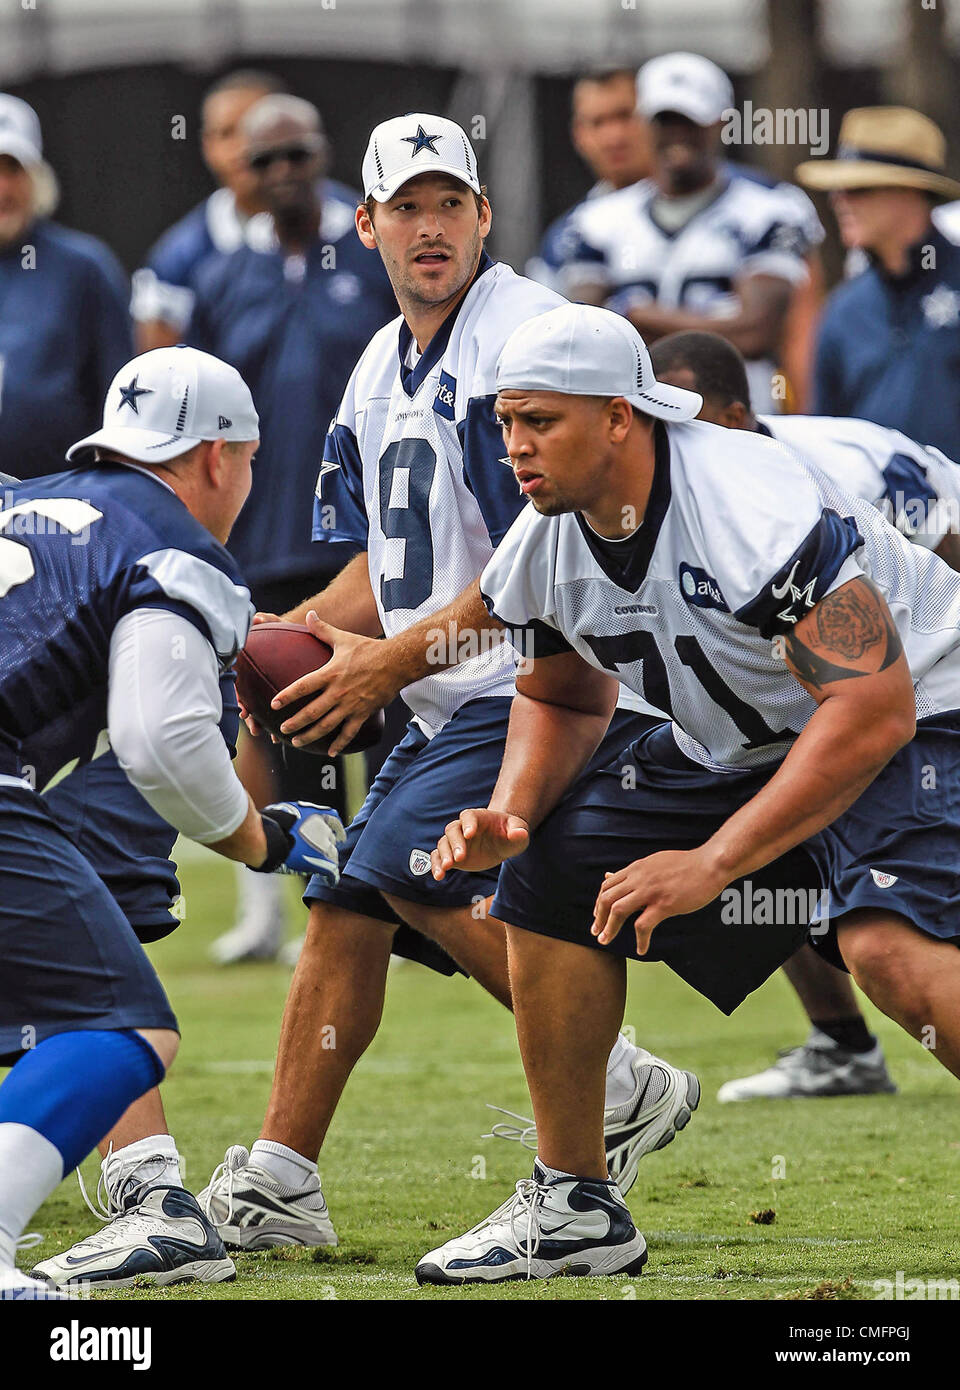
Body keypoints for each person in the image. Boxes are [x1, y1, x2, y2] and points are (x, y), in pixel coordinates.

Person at [197, 115, 699, 1255]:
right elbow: (396, 553)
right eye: (407, 208)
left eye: (451, 204)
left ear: (484, 214)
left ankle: (611, 1086)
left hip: (543, 675)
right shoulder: (381, 364)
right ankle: (280, 1180)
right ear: (364, 223)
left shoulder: (523, 337)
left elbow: (546, 553)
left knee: (414, 866)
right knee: (342, 905)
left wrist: (387, 659)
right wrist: (300, 627)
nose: (431, 228)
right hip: (453, 689)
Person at [418, 302, 960, 1284]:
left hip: (921, 712)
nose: (516, 447)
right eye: (507, 422)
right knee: (550, 870)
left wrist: (713, 862)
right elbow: (559, 695)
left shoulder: (748, 510)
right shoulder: (548, 534)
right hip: (750, 745)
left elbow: (872, 707)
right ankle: (576, 1203)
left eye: (540, 421)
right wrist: (512, 811)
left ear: (621, 415)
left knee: (891, 949)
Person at [0, 345, 344, 1299]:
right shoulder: (174, 548)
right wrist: (263, 838)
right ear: (215, 458)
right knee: (114, 1026)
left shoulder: (23, 497)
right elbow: (159, 742)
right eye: (249, 462)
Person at [650, 327, 960, 1100]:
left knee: (891, 935)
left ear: (727, 418)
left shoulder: (835, 462)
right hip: (812, 711)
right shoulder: (652, 497)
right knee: (760, 818)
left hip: (918, 693)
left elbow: (947, 543)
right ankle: (842, 1042)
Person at [188, 93, 398, 964]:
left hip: (365, 538)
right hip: (260, 535)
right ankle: (311, 902)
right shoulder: (223, 275)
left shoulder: (375, 249)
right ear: (241, 169)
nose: (281, 174)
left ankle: (394, 895)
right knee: (281, 729)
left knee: (384, 717)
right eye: (263, 160)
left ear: (322, 155)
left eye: (296, 156)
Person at [556, 53, 821, 414]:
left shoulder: (770, 210)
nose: (677, 136)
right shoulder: (595, 221)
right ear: (644, 124)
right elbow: (584, 330)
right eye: (665, 121)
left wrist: (636, 314)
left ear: (722, 123)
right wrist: (717, 325)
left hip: (737, 424)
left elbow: (756, 333)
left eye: (691, 122)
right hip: (637, 425)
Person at [798, 107, 960, 459]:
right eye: (838, 188)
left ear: (912, 191)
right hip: (874, 511)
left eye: (859, 187)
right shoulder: (844, 308)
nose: (839, 200)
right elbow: (823, 435)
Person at [0, 94, 132, 478]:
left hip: (60, 504)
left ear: (37, 177)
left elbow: (121, 397)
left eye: (14, 170)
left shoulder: (84, 268)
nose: (4, 188)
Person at [130, 68, 286, 352]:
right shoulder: (178, 257)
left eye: (255, 128)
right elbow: (158, 374)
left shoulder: (355, 227)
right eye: (226, 133)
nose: (243, 146)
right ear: (207, 146)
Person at [527, 67, 651, 290]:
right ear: (579, 135)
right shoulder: (564, 238)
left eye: (625, 116)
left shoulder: (714, 205)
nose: (614, 137)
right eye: (598, 122)